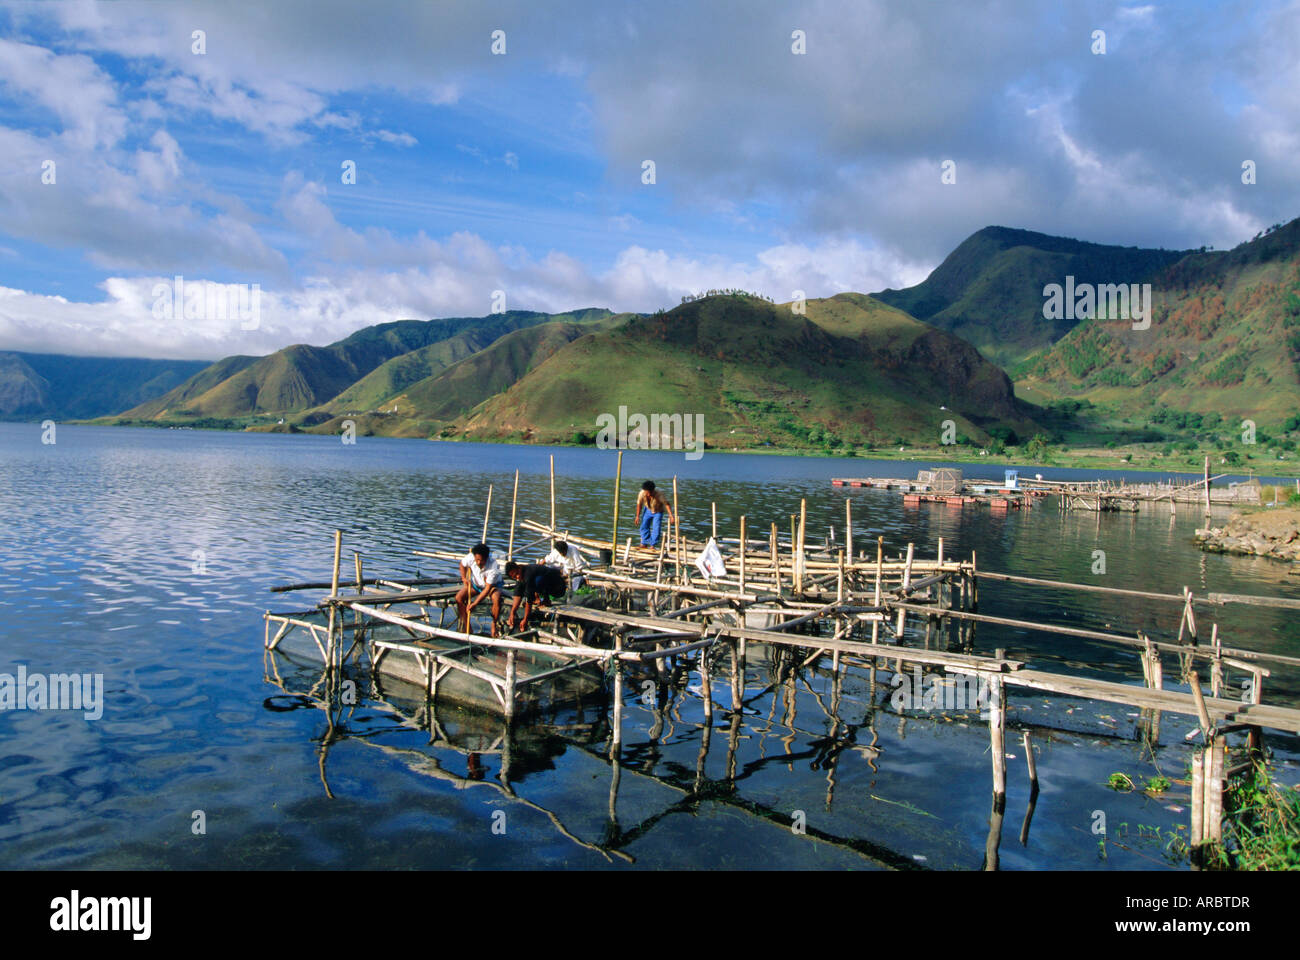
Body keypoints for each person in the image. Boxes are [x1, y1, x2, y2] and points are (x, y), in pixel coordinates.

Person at [455, 543, 504, 636]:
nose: (478, 563)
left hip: (492, 586)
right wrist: (464, 578)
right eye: (476, 560)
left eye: (481, 561)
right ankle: (468, 627)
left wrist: (474, 603)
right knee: (458, 598)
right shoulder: (471, 557)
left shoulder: (493, 566)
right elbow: (462, 564)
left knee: (496, 599)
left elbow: (487, 589)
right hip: (476, 584)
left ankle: (493, 625)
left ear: (486, 558)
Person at [504, 560, 567, 632]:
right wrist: (512, 613)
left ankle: (546, 600)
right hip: (548, 586)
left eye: (517, 574)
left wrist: (525, 619)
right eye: (514, 577)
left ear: (519, 568)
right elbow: (517, 597)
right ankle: (540, 599)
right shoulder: (519, 576)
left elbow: (529, 599)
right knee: (525, 587)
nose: (517, 577)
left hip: (558, 587)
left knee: (537, 581)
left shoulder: (528, 574)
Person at [635, 480, 674, 547]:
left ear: (652, 491)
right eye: (645, 492)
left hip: (658, 511)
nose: (647, 494)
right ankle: (644, 543)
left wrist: (671, 515)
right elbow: (639, 504)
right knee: (644, 526)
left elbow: (667, 504)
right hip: (648, 509)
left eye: (648, 493)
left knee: (656, 528)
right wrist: (637, 516)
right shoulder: (642, 493)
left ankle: (652, 545)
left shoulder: (659, 494)